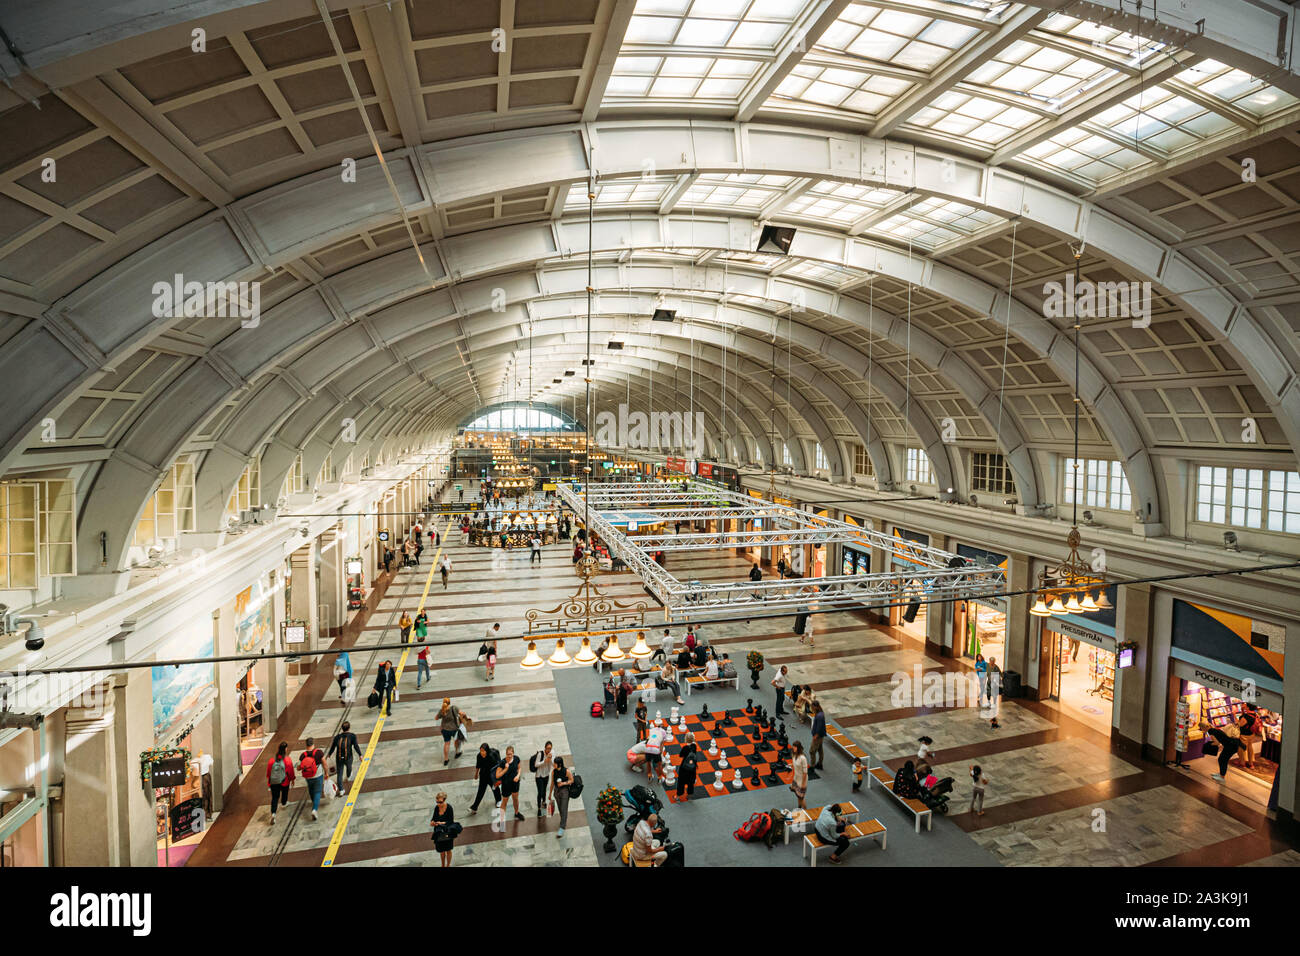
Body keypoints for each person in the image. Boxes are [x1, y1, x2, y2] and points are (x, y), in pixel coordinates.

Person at [327, 722, 362, 797]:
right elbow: (356, 746)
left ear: (342, 728)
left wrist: (329, 754)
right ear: (349, 728)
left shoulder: (337, 737)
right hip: (348, 757)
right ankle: (348, 775)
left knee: (339, 774)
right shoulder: (352, 736)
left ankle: (341, 790)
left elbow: (333, 747)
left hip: (339, 758)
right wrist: (360, 755)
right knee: (349, 768)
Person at [298, 738, 327, 821]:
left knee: (311, 790)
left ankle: (313, 801)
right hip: (318, 776)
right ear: (313, 744)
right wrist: (327, 773)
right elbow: (324, 763)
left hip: (308, 777)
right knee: (318, 792)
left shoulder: (303, 755)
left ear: (306, 745)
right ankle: (314, 809)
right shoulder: (319, 752)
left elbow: (299, 767)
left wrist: (298, 767)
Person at [468, 743, 501, 815]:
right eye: (481, 751)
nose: (482, 752)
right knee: (480, 791)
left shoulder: (491, 757)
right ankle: (474, 807)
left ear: (487, 751)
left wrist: (498, 777)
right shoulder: (479, 756)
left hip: (492, 776)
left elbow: (497, 767)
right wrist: (476, 774)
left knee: (494, 788)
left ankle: (498, 800)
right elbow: (478, 765)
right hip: (483, 775)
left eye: (483, 751)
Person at [495, 745, 524, 824]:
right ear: (506, 754)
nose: (509, 756)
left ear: (513, 753)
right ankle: (501, 819)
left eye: (511, 754)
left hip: (515, 783)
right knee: (504, 801)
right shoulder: (503, 762)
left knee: (515, 799)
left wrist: (518, 776)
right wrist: (505, 769)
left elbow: (519, 768)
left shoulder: (516, 759)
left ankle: (517, 813)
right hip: (506, 785)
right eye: (508, 754)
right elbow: (497, 775)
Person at [267, 741, 295, 824]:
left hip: (274, 782)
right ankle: (284, 803)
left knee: (275, 798)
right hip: (284, 781)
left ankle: (273, 814)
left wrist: (269, 782)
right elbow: (290, 772)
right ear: (286, 749)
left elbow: (269, 772)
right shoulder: (287, 760)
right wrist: (292, 779)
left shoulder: (272, 760)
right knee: (284, 793)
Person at [549, 757, 575, 838]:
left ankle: (562, 827)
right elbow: (552, 783)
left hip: (564, 791)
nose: (554, 765)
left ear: (559, 764)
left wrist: (563, 783)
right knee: (560, 808)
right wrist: (550, 794)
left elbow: (572, 780)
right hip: (557, 791)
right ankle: (563, 820)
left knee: (564, 808)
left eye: (555, 763)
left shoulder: (566, 771)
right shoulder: (554, 772)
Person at [430, 791, 456, 867]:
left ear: (444, 800)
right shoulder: (436, 808)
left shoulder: (449, 808)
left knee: (448, 850)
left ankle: (448, 865)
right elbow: (433, 818)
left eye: (440, 802)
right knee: (441, 851)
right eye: (437, 802)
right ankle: (442, 865)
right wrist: (432, 822)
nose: (438, 804)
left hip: (447, 832)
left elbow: (451, 822)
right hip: (439, 833)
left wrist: (441, 823)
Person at [438, 698, 464, 766]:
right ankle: (457, 753)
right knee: (456, 741)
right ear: (450, 702)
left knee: (447, 744)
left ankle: (446, 759)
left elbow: (436, 718)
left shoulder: (442, 710)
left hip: (444, 729)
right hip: (454, 729)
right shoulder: (454, 708)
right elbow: (462, 713)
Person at [531, 741, 554, 817]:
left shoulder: (551, 754)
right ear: (545, 748)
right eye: (547, 748)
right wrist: (544, 761)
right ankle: (539, 809)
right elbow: (536, 764)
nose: (549, 750)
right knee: (540, 792)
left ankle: (543, 802)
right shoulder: (540, 754)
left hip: (546, 775)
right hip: (539, 776)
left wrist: (550, 760)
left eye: (550, 748)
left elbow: (553, 765)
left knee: (544, 790)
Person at [790, 740, 809, 810]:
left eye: (795, 747)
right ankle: (799, 808)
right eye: (793, 747)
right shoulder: (794, 755)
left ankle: (806, 811)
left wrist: (803, 784)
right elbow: (794, 764)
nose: (793, 748)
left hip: (802, 779)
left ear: (798, 748)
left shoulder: (803, 758)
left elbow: (805, 772)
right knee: (798, 795)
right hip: (796, 778)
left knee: (801, 797)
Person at [809, 702, 826, 776]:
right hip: (820, 736)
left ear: (815, 707)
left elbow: (819, 727)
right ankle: (819, 764)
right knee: (820, 750)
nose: (811, 708)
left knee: (812, 751)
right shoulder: (820, 713)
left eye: (812, 707)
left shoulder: (819, 716)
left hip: (818, 737)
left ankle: (812, 767)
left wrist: (815, 736)